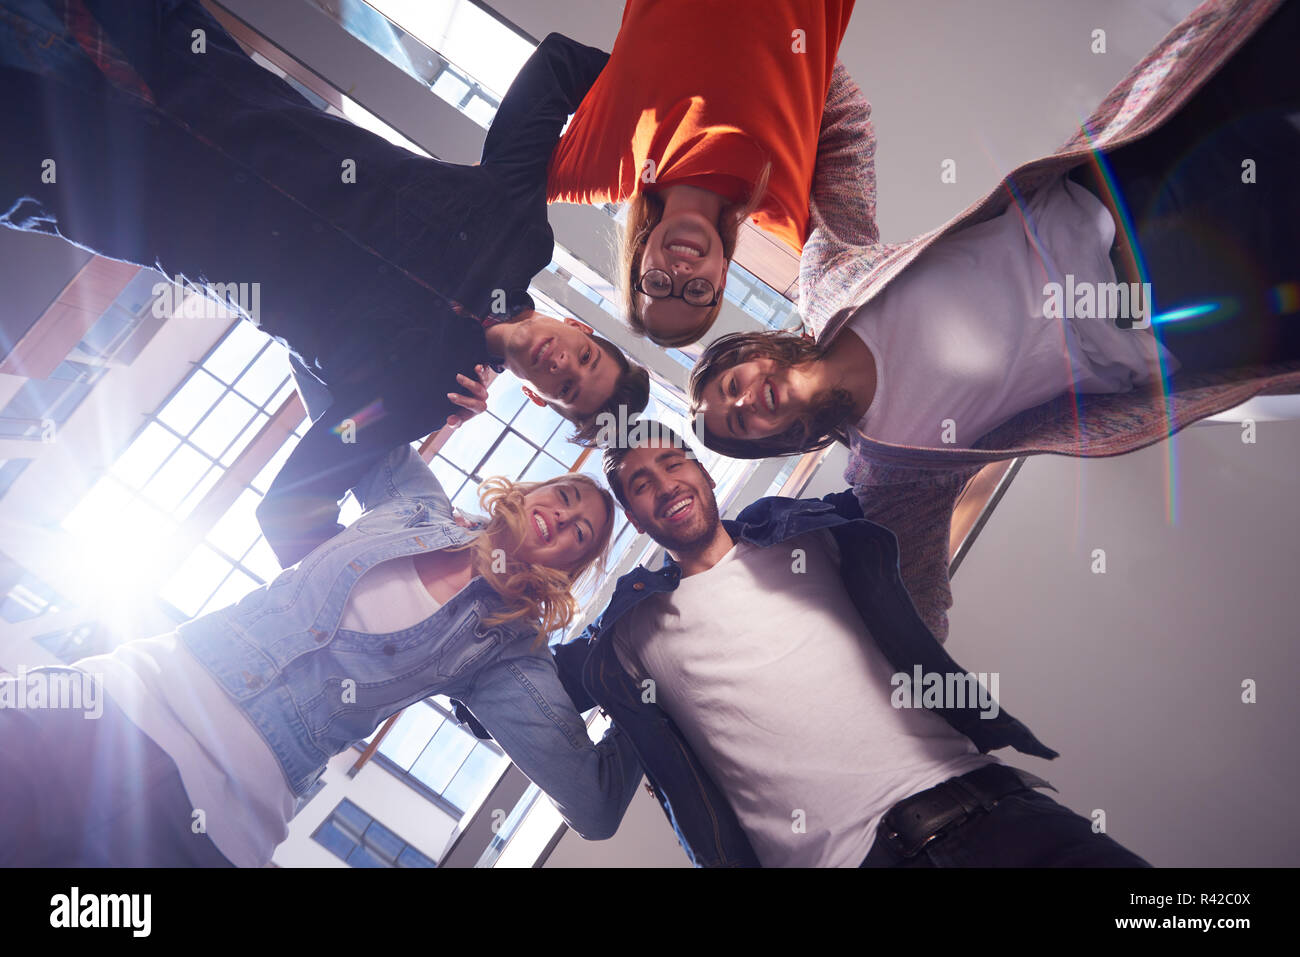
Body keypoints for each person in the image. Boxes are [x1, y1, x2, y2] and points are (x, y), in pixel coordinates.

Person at [689, 0, 1300, 640]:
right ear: (772, 441)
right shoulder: (890, 473)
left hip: (1123, 186)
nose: (747, 402)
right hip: (1171, 307)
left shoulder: (827, 285)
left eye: (732, 384)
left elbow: (839, 133)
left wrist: (778, 37)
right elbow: (916, 609)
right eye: (742, 426)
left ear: (751, 353)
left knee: (1263, 41)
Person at [0, 0, 650, 565]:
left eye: (567, 387)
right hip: (168, 53)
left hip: (88, 176)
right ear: (581, 327)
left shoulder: (408, 401)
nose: (562, 363)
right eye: (585, 356)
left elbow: (291, 510)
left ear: (543, 401)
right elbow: (560, 69)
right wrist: (676, 149)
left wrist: (416, 563)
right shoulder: (517, 225)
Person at [0, 436, 641, 867]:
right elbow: (344, 402)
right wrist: (432, 378)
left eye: (579, 532)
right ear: (531, 492)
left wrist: (654, 668)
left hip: (216, 827)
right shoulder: (415, 502)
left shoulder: (509, 651)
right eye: (563, 495)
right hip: (114, 705)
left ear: (574, 563)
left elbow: (593, 804)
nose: (561, 516)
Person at [525, 423, 1144, 867]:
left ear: (701, 469)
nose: (664, 484)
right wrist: (495, 558)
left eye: (674, 462)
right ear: (635, 518)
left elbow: (914, 454)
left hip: (1004, 813)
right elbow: (504, 699)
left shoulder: (812, 532)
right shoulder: (625, 636)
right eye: (639, 483)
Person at [545, 0, 855, 347]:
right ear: (722, 277)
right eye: (695, 291)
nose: (679, 273)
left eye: (659, 284)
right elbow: (851, 125)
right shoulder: (789, 214)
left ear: (638, 258)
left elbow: (493, 189)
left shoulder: (597, 169)